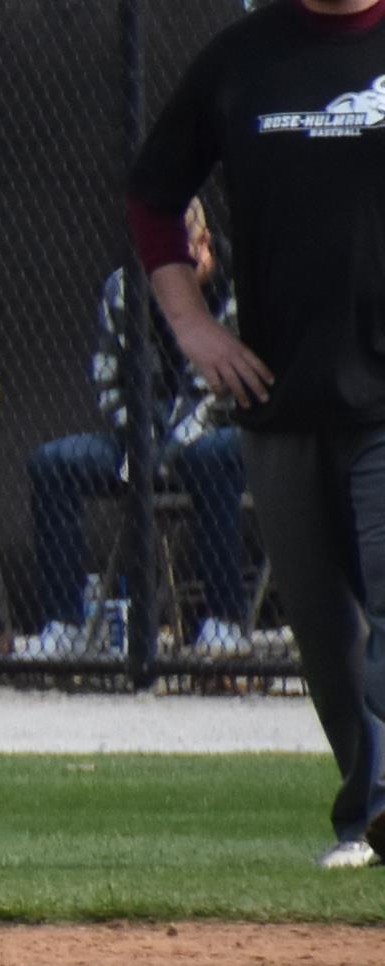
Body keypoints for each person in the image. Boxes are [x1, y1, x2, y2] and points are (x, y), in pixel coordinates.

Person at [128, 0, 385, 869]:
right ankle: (367, 811)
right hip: (279, 391)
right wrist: (194, 326)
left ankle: (380, 812)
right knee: (323, 631)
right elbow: (155, 195)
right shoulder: (242, 59)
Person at [18, 199, 249, 660]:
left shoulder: (242, 289)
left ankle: (227, 620)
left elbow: (216, 394)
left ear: (202, 244)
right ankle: (65, 625)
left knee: (210, 456)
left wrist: (160, 455)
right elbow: (108, 381)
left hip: (223, 431)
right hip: (141, 437)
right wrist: (139, 440)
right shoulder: (124, 289)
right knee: (52, 463)